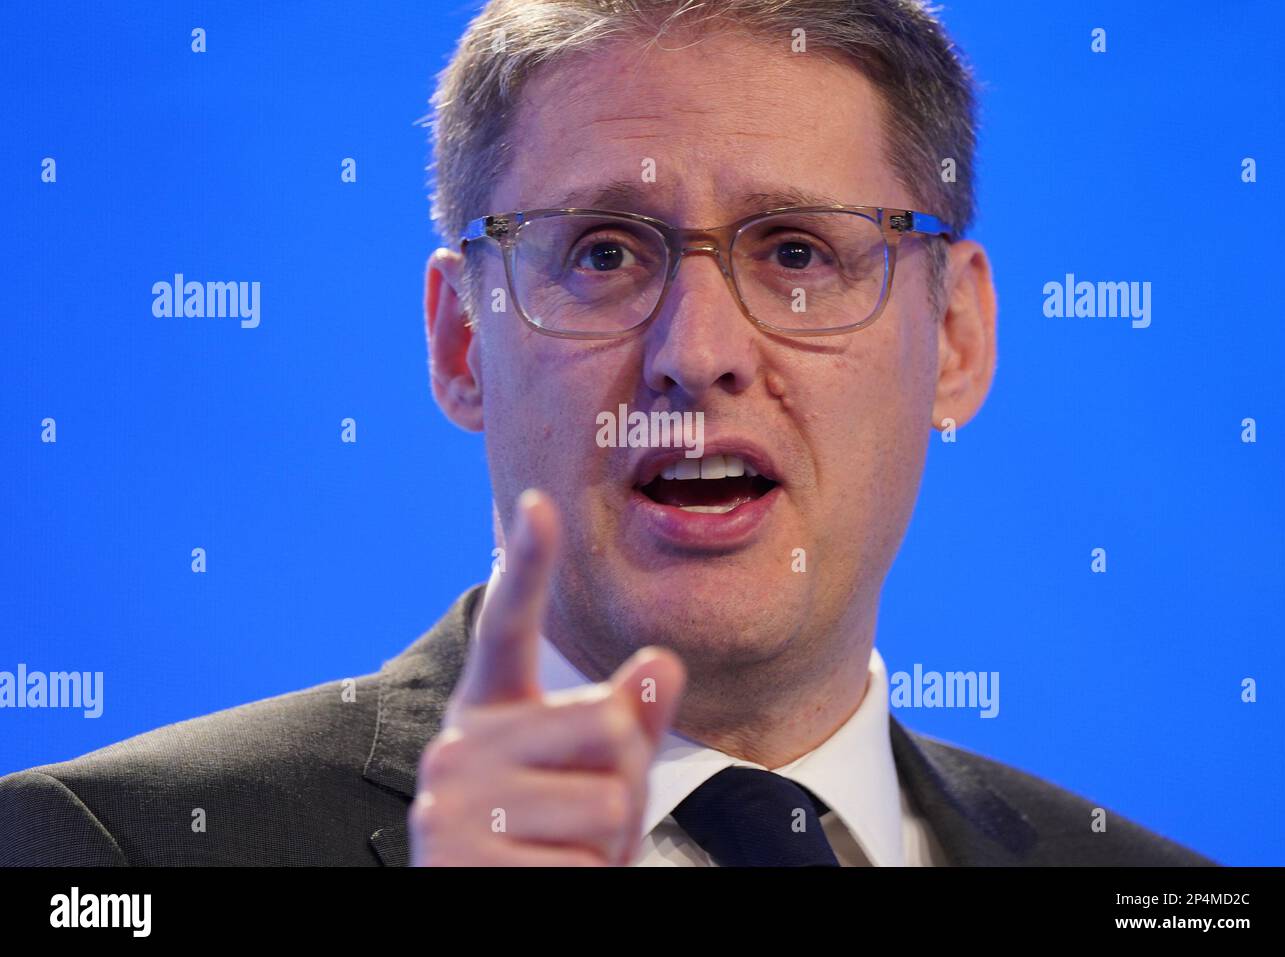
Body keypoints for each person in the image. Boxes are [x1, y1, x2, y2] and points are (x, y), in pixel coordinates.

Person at [0, 0, 1214, 867]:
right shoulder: (100, 855)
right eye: (604, 254)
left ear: (953, 336)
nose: (697, 350)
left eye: (796, 252)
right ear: (462, 343)